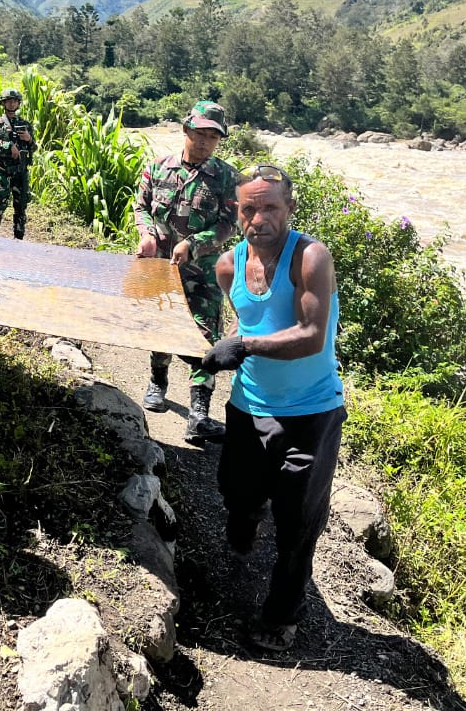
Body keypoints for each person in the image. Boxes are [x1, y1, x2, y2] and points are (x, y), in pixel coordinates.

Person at [200, 163, 345, 653]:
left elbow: (309, 336)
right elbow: (245, 318)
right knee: (236, 491)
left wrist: (242, 347)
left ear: (290, 208)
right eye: (249, 208)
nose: (258, 217)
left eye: (270, 207)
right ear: (236, 211)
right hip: (249, 404)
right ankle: (247, 513)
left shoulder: (310, 258)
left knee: (299, 518)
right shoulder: (228, 265)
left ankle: (283, 614)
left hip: (311, 410)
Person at [133, 100, 237, 442]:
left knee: (204, 339)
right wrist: (146, 234)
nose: (205, 141)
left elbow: (228, 225)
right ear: (186, 130)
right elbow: (141, 207)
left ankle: (199, 414)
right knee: (161, 328)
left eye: (213, 135)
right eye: (199, 132)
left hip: (203, 273)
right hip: (161, 267)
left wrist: (195, 243)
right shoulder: (158, 168)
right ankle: (157, 381)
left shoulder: (225, 176)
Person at [0, 87, 36, 238]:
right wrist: (8, 146)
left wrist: (29, 139)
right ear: (3, 103)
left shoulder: (25, 124)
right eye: (9, 101)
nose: (12, 104)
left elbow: (34, 147)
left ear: (18, 103)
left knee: (21, 208)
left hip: (21, 172)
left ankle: (18, 239)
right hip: (3, 171)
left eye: (15, 101)